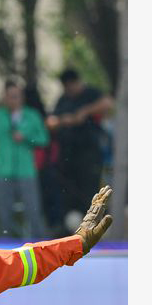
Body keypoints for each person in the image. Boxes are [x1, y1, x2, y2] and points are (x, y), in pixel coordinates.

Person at [0, 81, 49, 238]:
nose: (13, 100)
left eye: (16, 96)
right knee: (4, 213)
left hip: (26, 171)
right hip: (3, 170)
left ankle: (39, 245)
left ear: (22, 97)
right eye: (10, 96)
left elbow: (44, 139)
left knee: (33, 210)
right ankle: (5, 246)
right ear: (5, 97)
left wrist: (26, 137)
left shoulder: (32, 116)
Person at [46, 69, 114, 228]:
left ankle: (94, 226)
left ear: (76, 82)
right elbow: (51, 122)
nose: (69, 89)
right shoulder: (63, 99)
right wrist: (65, 121)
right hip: (68, 157)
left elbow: (108, 103)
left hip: (89, 155)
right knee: (69, 194)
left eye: (71, 85)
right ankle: (71, 228)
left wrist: (85, 112)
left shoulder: (90, 93)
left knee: (91, 192)